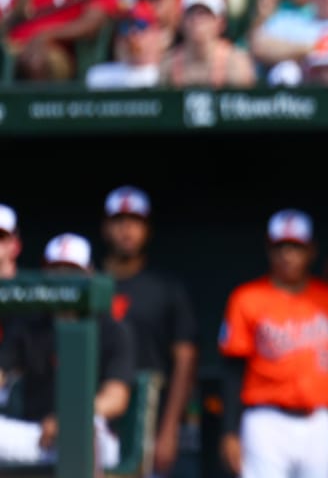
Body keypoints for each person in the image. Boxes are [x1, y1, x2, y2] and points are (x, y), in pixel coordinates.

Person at [219, 210, 328, 478]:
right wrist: (230, 431)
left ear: (311, 250)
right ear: (269, 250)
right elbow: (233, 371)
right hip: (265, 421)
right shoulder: (247, 298)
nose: (288, 255)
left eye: (296, 247)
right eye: (280, 247)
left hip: (319, 421)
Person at [0, 234, 132, 470]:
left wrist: (69, 418)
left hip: (93, 432)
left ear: (89, 273)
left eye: (71, 271)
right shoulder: (30, 325)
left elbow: (115, 397)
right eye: (56, 270)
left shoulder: (112, 330)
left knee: (82, 433)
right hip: (37, 434)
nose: (63, 279)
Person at [99, 186, 198, 478]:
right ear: (106, 227)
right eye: (119, 220)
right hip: (98, 413)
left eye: (135, 221)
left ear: (147, 229)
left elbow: (185, 359)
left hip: (148, 416)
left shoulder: (166, 288)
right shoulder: (90, 282)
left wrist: (169, 428)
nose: (126, 229)